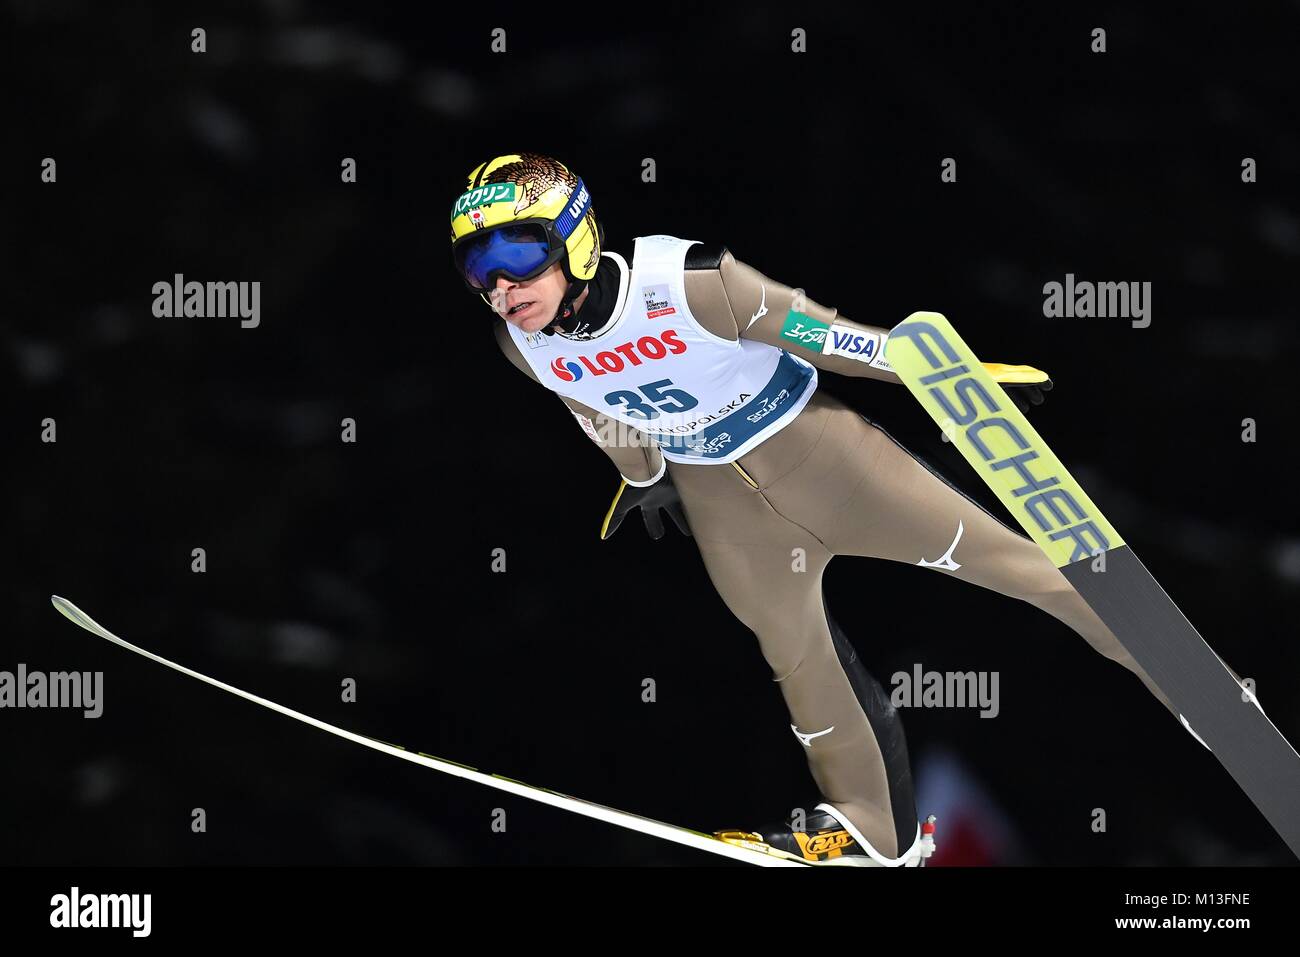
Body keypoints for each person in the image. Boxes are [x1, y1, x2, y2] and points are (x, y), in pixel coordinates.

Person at [449, 151, 1186, 866]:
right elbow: (594, 408)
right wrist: (640, 473)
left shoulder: (689, 282)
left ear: (574, 239)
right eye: (479, 267)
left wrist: (942, 374)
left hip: (822, 458)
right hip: (725, 508)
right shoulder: (524, 344)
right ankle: (873, 827)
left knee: (1014, 565)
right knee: (794, 651)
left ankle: (1176, 674)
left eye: (517, 253)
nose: (502, 285)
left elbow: (818, 334)